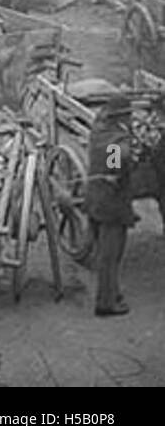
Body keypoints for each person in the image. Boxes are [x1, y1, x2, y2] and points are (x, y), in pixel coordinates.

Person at [86, 96, 136, 317]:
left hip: (94, 201)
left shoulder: (98, 131)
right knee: (111, 256)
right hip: (111, 206)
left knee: (106, 254)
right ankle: (106, 304)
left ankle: (113, 294)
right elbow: (114, 170)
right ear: (122, 117)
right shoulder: (116, 141)